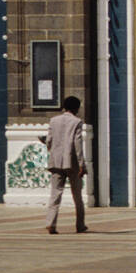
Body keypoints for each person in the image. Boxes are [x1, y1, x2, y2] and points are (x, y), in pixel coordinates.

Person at [45, 96, 87, 235]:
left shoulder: (53, 120)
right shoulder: (76, 122)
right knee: (77, 196)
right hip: (72, 163)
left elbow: (49, 141)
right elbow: (78, 144)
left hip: (56, 162)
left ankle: (51, 223)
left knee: (55, 194)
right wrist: (82, 164)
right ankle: (80, 225)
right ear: (76, 108)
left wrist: (52, 150)